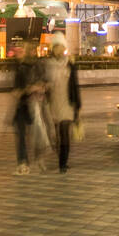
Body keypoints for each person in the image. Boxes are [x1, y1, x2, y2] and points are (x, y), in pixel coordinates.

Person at [42, 33, 81, 173]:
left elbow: (75, 86)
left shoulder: (70, 64)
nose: (59, 50)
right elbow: (42, 83)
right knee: (56, 135)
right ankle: (60, 155)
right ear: (53, 48)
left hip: (67, 103)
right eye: (56, 47)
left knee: (65, 132)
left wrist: (78, 106)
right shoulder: (47, 65)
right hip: (53, 103)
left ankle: (63, 163)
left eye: (61, 47)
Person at [9, 42, 40, 175]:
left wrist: (24, 90)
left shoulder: (26, 68)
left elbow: (20, 89)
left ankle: (24, 163)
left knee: (24, 136)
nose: (19, 53)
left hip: (26, 106)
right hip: (23, 107)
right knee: (23, 136)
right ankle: (25, 163)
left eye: (22, 51)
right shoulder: (22, 67)